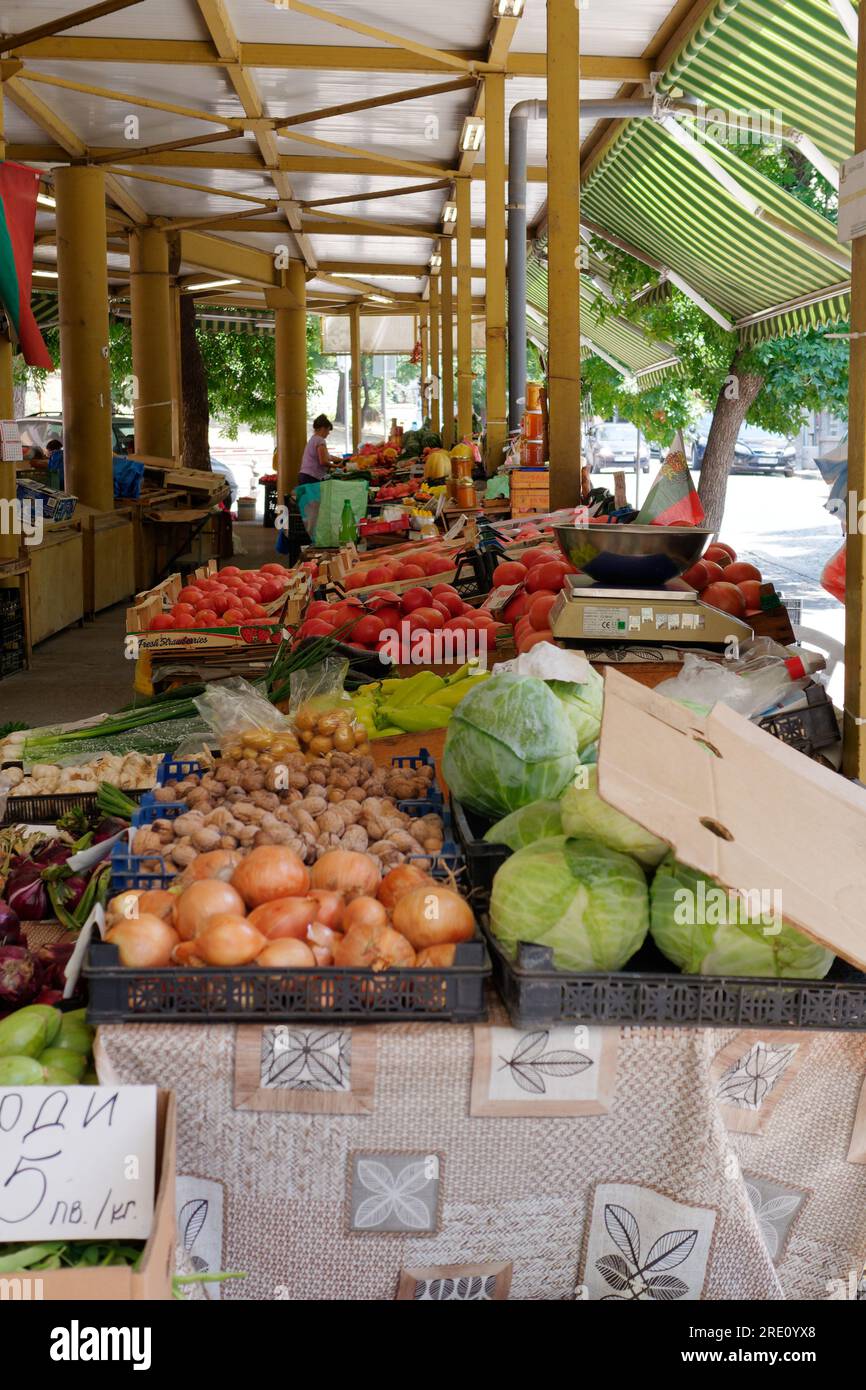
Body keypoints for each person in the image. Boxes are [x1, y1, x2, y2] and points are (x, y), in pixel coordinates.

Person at [296, 414, 341, 489]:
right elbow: (323, 461)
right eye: (328, 430)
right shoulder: (320, 440)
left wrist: (342, 460)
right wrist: (336, 466)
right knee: (314, 500)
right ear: (323, 428)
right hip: (311, 477)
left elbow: (328, 457)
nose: (328, 433)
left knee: (307, 500)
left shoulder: (313, 439)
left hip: (305, 475)